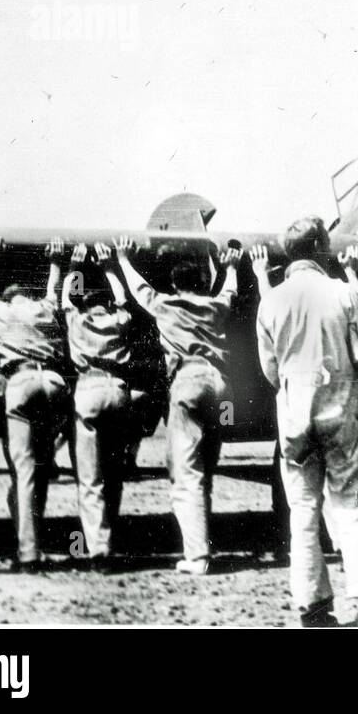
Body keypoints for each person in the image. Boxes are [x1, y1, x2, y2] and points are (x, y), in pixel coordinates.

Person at [252, 220, 358, 627]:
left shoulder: (271, 301)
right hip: (340, 407)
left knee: (303, 510)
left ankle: (312, 605)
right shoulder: (344, 292)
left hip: (295, 413)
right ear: (319, 247)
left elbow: (270, 369)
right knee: (354, 505)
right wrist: (356, 392)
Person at [115, 236, 241, 575]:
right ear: (203, 284)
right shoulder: (216, 306)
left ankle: (197, 557)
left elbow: (138, 288)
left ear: (174, 283)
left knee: (186, 475)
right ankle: (205, 542)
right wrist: (229, 267)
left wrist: (124, 259)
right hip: (220, 385)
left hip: (188, 381)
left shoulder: (164, 305)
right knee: (206, 469)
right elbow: (229, 290)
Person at [0, 236, 71, 571]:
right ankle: (34, 540)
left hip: (20, 383)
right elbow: (55, 289)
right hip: (53, 383)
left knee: (23, 471)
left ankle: (28, 554)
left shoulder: (0, 311)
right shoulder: (43, 309)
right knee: (41, 468)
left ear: (8, 297)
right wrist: (56, 260)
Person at [63, 242, 140, 568]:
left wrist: (73, 267)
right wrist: (110, 265)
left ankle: (99, 548)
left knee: (90, 477)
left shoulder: (78, 322)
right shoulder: (119, 320)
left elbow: (64, 299)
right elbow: (124, 297)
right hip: (119, 391)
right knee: (113, 474)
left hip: (89, 390)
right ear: (106, 306)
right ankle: (110, 535)